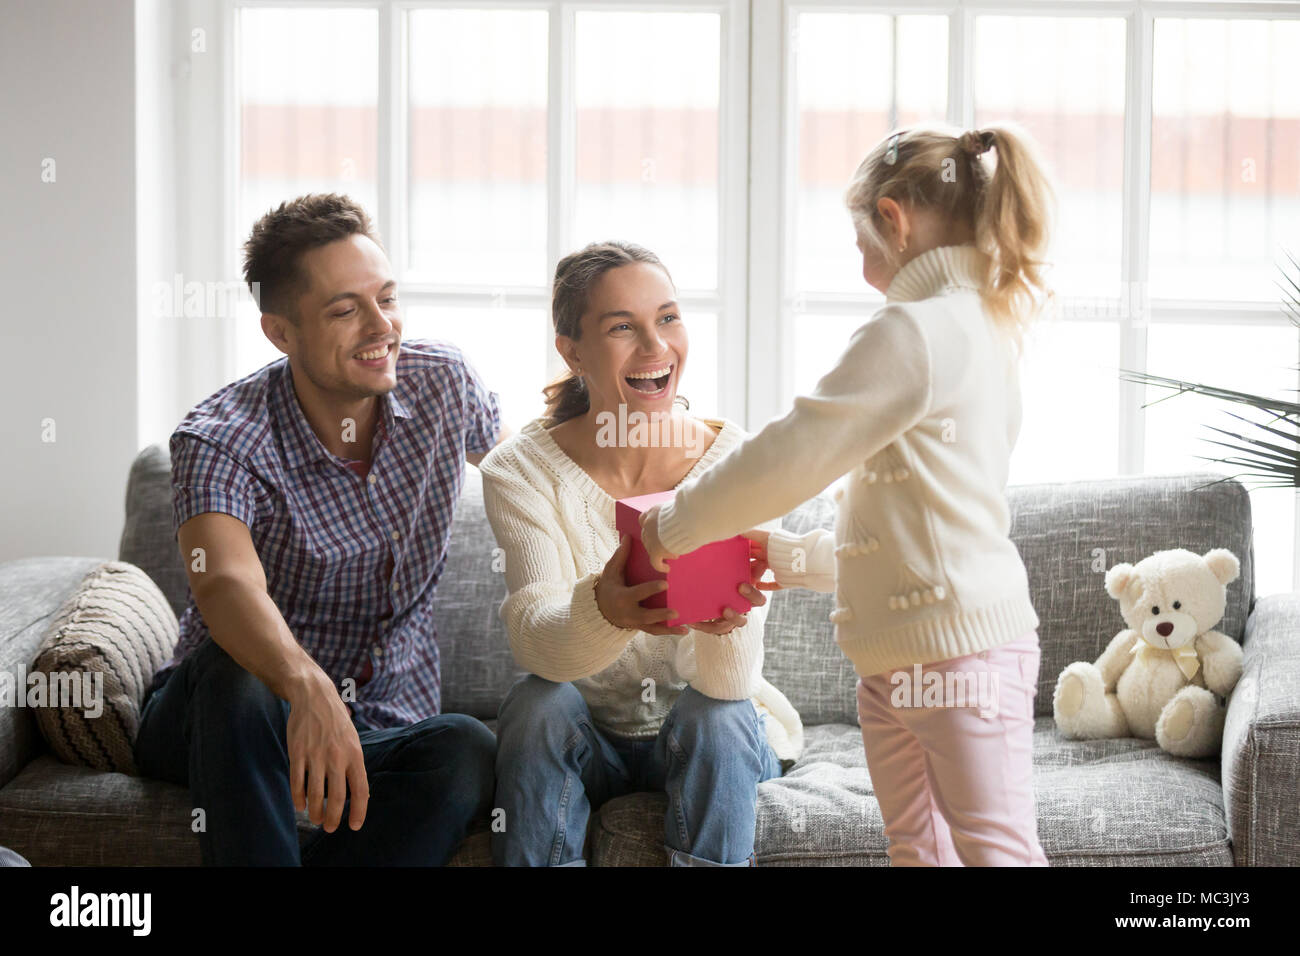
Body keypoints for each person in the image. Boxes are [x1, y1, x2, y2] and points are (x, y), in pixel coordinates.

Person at [641, 124, 1055, 866]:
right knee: (919, 850)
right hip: (904, 659)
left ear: (892, 219)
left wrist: (674, 526)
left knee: (993, 853)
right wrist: (793, 557)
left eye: (861, 239)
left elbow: (794, 452)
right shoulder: (982, 326)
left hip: (958, 659)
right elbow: (921, 524)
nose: (862, 260)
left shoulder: (916, 331)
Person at [133, 193, 506, 865]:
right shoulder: (220, 437)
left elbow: (532, 484)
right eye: (344, 309)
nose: (380, 326)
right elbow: (223, 582)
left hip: (382, 726)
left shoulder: (443, 384)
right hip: (225, 716)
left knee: (467, 750)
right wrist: (306, 688)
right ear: (281, 332)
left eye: (386, 299)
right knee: (237, 676)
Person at [480, 241, 804, 866]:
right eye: (622, 327)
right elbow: (536, 643)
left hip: (706, 730)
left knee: (717, 714)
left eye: (668, 317)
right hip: (587, 737)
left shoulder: (744, 465)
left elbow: (726, 683)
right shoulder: (520, 471)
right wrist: (606, 609)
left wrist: (724, 622)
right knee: (537, 703)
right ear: (572, 351)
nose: (656, 347)